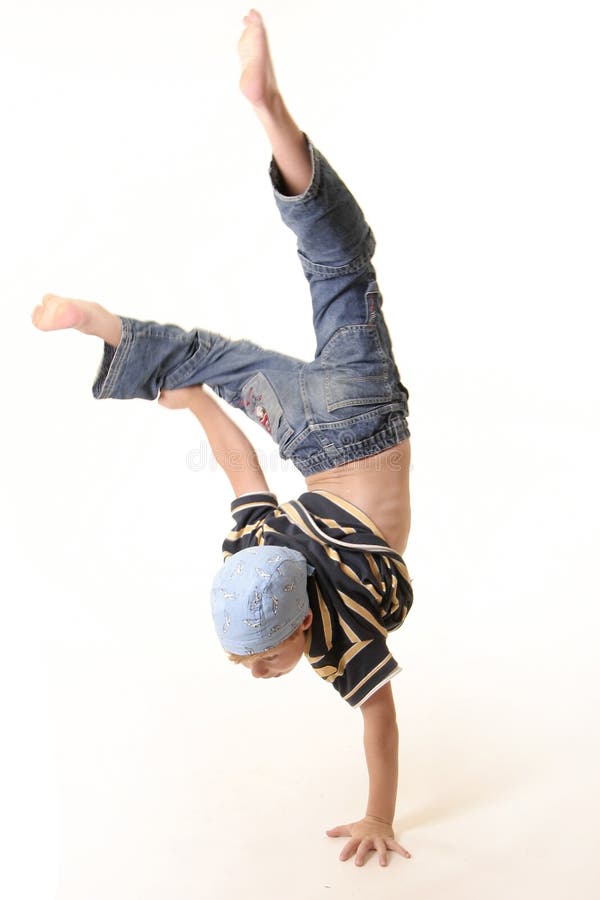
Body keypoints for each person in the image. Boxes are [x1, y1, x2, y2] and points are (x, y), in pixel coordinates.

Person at [32, 9, 414, 867]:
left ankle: (267, 105)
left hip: (359, 416)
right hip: (312, 434)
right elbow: (242, 464)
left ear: (297, 627)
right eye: (248, 659)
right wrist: (198, 401)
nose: (254, 670)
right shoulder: (258, 539)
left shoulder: (341, 630)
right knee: (212, 352)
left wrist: (379, 815)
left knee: (342, 270)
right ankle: (115, 329)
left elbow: (381, 720)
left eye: (261, 655)